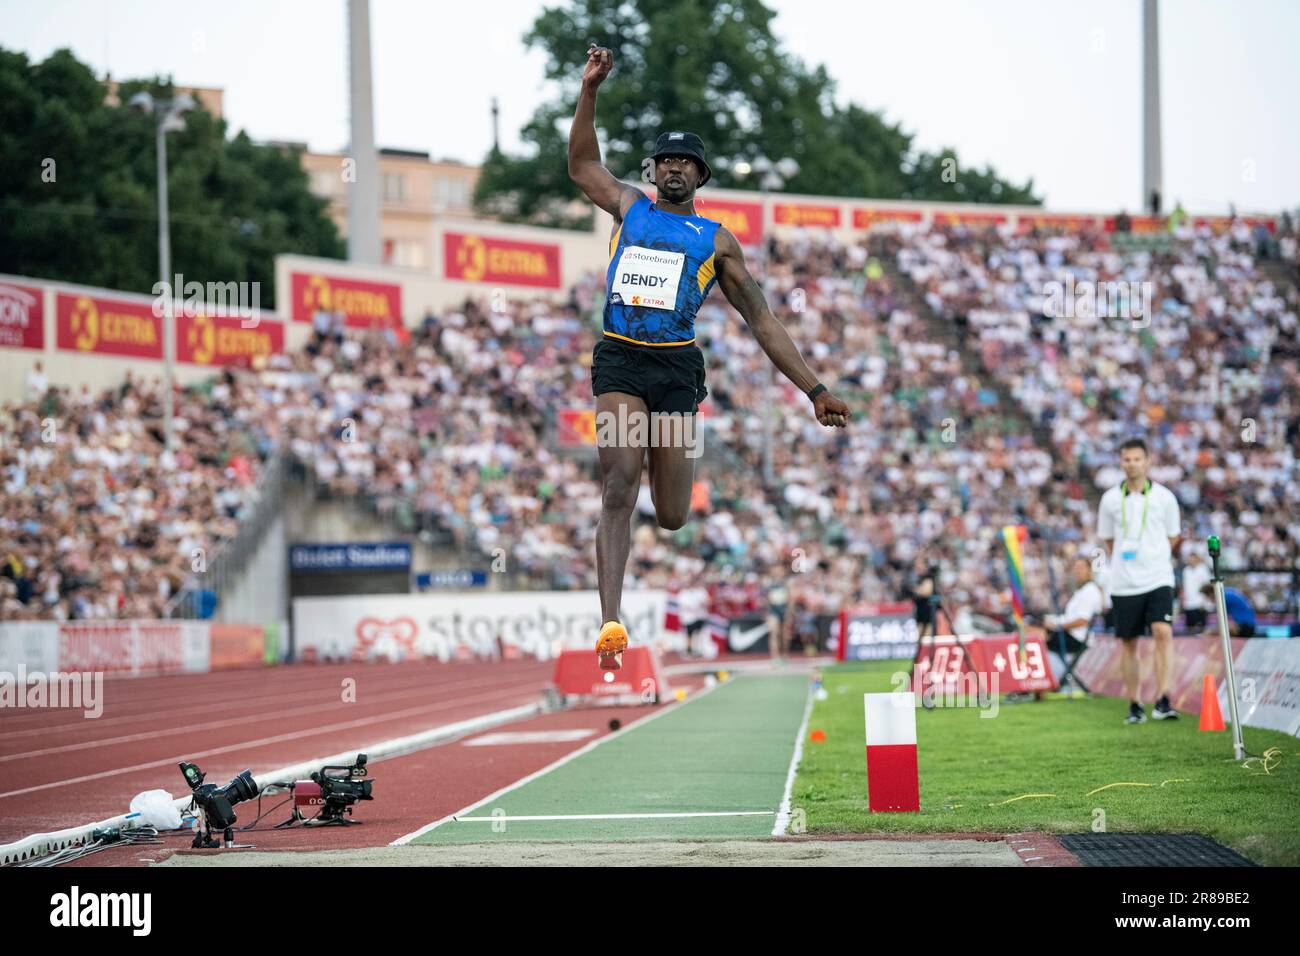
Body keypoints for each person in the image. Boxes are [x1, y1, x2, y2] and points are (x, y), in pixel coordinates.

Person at [570, 44, 851, 669]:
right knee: (618, 481)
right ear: (652, 171)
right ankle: (610, 624)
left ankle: (655, 503)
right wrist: (590, 90)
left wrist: (816, 389)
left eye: (685, 163)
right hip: (620, 358)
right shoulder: (627, 206)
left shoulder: (716, 240)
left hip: (675, 372)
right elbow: (582, 162)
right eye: (665, 160)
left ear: (700, 177)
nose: (673, 169)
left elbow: (763, 320)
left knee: (670, 515)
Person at [1097, 438, 1182, 723]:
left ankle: (1163, 698)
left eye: (1136, 459)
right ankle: (1134, 703)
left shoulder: (1164, 497)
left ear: (1147, 461)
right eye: (1126, 459)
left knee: (1163, 632)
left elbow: (1174, 536)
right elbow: (1108, 540)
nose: (1131, 464)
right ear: (1121, 463)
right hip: (1123, 581)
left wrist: (1153, 556)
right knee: (1129, 642)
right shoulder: (1110, 499)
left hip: (1158, 576)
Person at [1043, 556, 1108, 690]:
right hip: (1069, 633)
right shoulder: (1081, 590)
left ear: (1089, 570)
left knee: (1037, 638)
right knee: (1036, 632)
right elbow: (1070, 617)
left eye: (1081, 568)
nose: (1077, 571)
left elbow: (1082, 621)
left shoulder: (1090, 591)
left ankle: (1038, 682)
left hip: (1076, 638)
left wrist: (1058, 625)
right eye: (1076, 568)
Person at [1180, 550, 1212, 631]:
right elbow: (1184, 586)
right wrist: (1183, 600)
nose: (1190, 561)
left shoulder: (1203, 569)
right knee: (1189, 628)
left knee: (1201, 629)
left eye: (1192, 559)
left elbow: (1208, 587)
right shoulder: (1186, 570)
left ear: (1196, 559)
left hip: (1200, 604)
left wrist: (1204, 602)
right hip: (1189, 603)